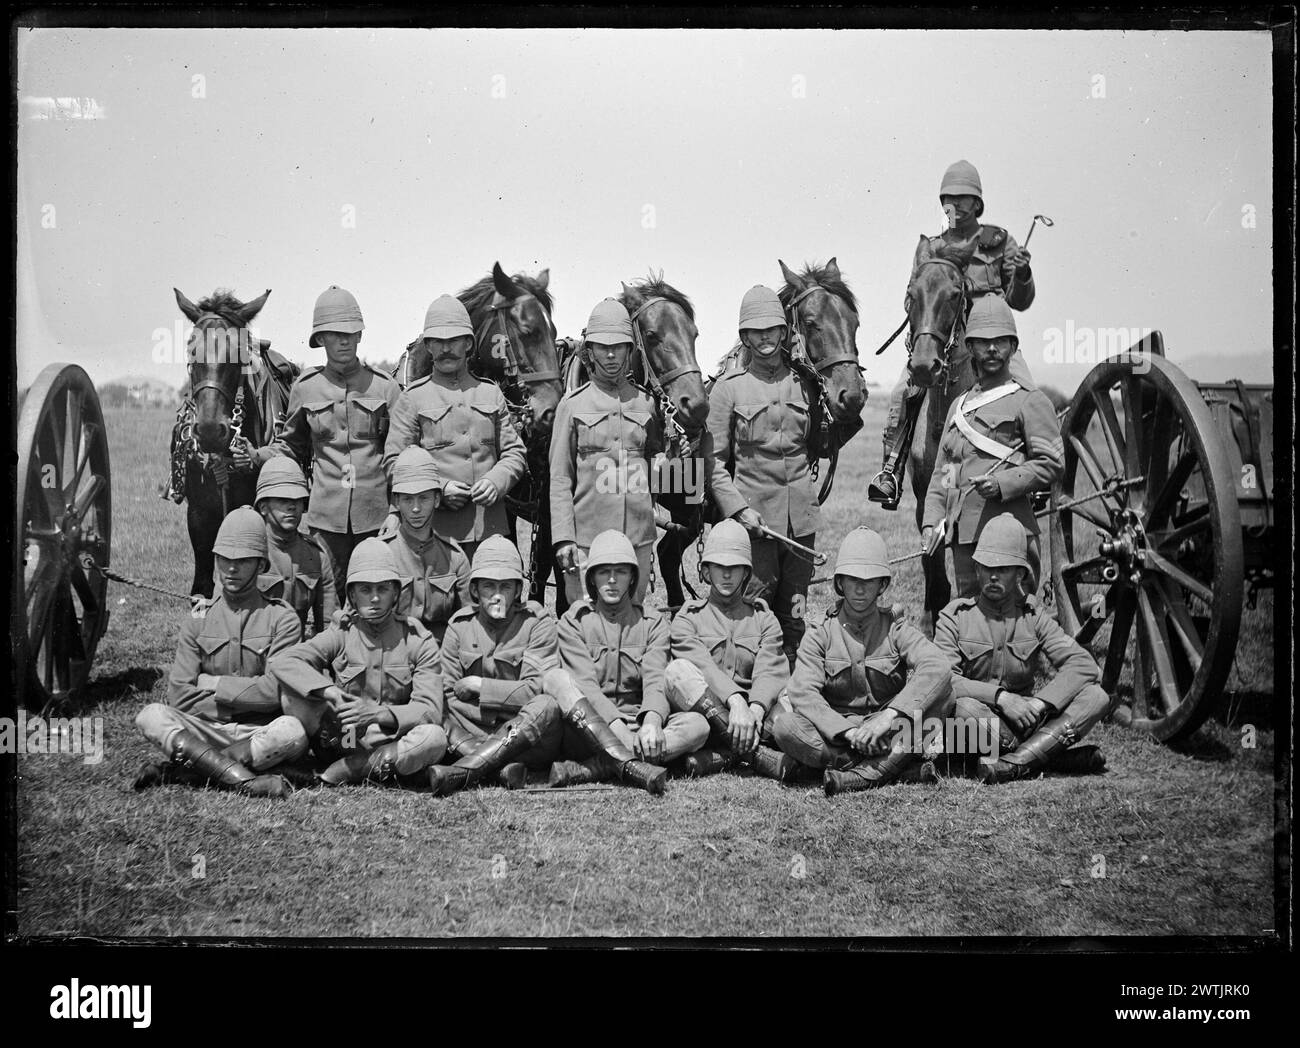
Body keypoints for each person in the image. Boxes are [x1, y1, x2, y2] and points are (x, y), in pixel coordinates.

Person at [429, 535, 667, 796]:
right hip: (471, 733)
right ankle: (484, 768)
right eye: (488, 586)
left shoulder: (536, 622)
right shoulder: (459, 627)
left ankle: (468, 769)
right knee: (435, 710)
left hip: (528, 737)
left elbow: (535, 691)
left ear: (519, 590)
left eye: (506, 587)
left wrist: (480, 687)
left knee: (547, 704)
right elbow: (448, 695)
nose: (497, 595)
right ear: (474, 591)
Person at [870, 160, 1037, 508]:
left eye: (963, 198)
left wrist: (1021, 275)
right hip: (941, 340)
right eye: (949, 198)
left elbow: (1021, 301)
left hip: (994, 341)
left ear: (978, 203)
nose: (956, 205)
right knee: (902, 392)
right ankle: (891, 471)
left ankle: (1035, 476)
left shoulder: (999, 242)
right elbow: (912, 297)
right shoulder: (930, 247)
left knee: (1027, 389)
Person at [133, 507, 306, 798]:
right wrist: (246, 696)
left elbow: (273, 692)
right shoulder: (199, 619)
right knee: (151, 715)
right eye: (224, 559)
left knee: (293, 731)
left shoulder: (282, 619)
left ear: (261, 564)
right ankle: (247, 781)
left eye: (242, 561)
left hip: (256, 732)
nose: (231, 569)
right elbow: (179, 695)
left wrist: (214, 685)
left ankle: (188, 771)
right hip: (205, 729)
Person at [772, 527, 952, 795]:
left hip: (889, 730)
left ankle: (856, 772)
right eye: (852, 579)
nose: (859, 588)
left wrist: (889, 718)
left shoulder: (895, 627)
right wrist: (849, 733)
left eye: (869, 581)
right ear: (839, 583)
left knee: (945, 697)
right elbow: (802, 692)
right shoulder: (820, 632)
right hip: (839, 733)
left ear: (882, 585)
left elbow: (937, 666)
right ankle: (891, 765)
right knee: (786, 727)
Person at [246, 285, 401, 594]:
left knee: (376, 596)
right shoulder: (306, 388)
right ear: (321, 339)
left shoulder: (385, 388)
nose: (343, 339)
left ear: (359, 335)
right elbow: (290, 447)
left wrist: (396, 514)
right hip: (326, 519)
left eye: (350, 332)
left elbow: (400, 457)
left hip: (376, 517)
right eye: (334, 333)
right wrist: (256, 455)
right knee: (328, 602)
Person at [933, 514, 1109, 784]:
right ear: (976, 568)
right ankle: (1048, 755)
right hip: (981, 721)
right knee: (964, 709)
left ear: (1020, 574)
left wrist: (1039, 704)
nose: (993, 576)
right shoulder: (954, 617)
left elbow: (1083, 665)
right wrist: (1002, 698)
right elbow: (943, 681)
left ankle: (1013, 764)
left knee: (1096, 697)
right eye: (986, 567)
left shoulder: (1033, 617)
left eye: (1003, 568)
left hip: (1028, 720)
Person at [270, 538, 447, 786]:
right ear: (352, 595)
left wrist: (378, 714)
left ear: (396, 593)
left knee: (434, 737)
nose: (374, 598)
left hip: (390, 739)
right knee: (292, 693)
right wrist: (330, 692)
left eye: (382, 589)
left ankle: (348, 770)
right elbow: (284, 661)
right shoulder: (341, 632)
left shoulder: (417, 639)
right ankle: (370, 768)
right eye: (365, 590)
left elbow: (429, 710)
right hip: (346, 738)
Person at [706, 285, 820, 666]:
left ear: (785, 332)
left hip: (800, 523)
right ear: (745, 338)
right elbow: (713, 464)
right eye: (757, 331)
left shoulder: (806, 383)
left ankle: (792, 686)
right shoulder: (727, 391)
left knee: (795, 613)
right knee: (753, 612)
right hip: (754, 525)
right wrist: (738, 511)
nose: (766, 337)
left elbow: (817, 444)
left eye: (773, 329)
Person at [920, 296, 1064, 597]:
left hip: (1010, 535)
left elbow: (1051, 462)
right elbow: (947, 473)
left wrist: (1002, 483)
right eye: (983, 342)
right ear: (970, 347)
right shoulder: (959, 407)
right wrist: (931, 522)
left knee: (1015, 628)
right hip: (965, 538)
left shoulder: (1029, 400)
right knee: (973, 628)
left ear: (1013, 346)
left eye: (1001, 341)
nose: (992, 349)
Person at [547, 530, 709, 787]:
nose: (612, 580)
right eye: (603, 572)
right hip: (593, 727)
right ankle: (638, 758)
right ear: (592, 578)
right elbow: (585, 686)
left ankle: (599, 767)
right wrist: (618, 730)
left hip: (638, 723)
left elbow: (656, 678)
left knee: (698, 725)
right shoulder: (573, 622)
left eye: (621, 572)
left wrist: (653, 722)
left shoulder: (652, 622)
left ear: (632, 577)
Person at [382, 294, 527, 563]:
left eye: (454, 340)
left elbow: (514, 453)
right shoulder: (413, 398)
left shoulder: (490, 393)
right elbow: (394, 463)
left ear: (468, 343)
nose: (446, 348)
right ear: (428, 346)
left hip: (489, 533)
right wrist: (439, 488)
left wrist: (495, 482)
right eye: (438, 341)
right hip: (434, 535)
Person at [549, 298, 664, 606]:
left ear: (630, 350)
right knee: (586, 625)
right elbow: (560, 478)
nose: (611, 354)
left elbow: (657, 468)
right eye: (602, 347)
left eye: (619, 347)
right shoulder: (572, 406)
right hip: (588, 540)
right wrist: (563, 538)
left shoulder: (647, 404)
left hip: (637, 538)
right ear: (590, 351)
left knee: (633, 621)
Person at [661, 519, 794, 780]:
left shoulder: (763, 618)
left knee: (795, 688)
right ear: (706, 571)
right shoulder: (688, 618)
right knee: (679, 671)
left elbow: (770, 670)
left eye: (734, 568)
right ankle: (753, 754)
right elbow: (702, 666)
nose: (726, 574)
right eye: (719, 567)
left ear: (746, 573)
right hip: (707, 714)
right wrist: (735, 702)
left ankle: (727, 754)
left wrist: (753, 708)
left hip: (754, 719)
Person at [381, 445, 470, 643]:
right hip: (393, 655)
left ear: (437, 499)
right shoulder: (380, 554)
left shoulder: (454, 557)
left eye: (424, 498)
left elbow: (468, 623)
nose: (415, 508)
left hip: (441, 659)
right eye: (407, 499)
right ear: (396, 501)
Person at [253, 456, 337, 637]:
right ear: (263, 507)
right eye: (282, 499)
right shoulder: (250, 552)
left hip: (297, 655)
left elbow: (329, 625)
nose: (292, 506)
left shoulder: (316, 556)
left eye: (298, 500)